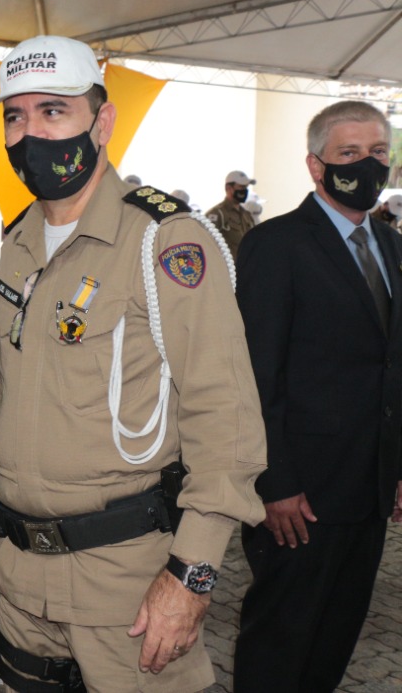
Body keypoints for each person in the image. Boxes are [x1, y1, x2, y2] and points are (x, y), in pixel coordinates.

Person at [0, 35, 266, 692]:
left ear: (103, 120)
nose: (29, 132)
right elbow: (10, 353)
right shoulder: (21, 238)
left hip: (127, 590)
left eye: (52, 111)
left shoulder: (165, 239)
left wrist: (192, 574)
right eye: (14, 115)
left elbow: (224, 414)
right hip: (19, 576)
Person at [232, 100, 402, 693]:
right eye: (349, 154)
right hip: (299, 498)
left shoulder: (391, 245)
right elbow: (255, 375)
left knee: (335, 638)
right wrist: (274, 481)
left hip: (369, 490)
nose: (367, 165)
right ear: (315, 165)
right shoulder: (276, 245)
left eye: (378, 153)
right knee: (280, 640)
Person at [204, 170, 257, 258]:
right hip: (226, 269)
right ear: (228, 188)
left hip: (245, 268)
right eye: (241, 187)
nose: (244, 190)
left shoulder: (246, 215)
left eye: (246, 187)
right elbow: (206, 243)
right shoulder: (217, 214)